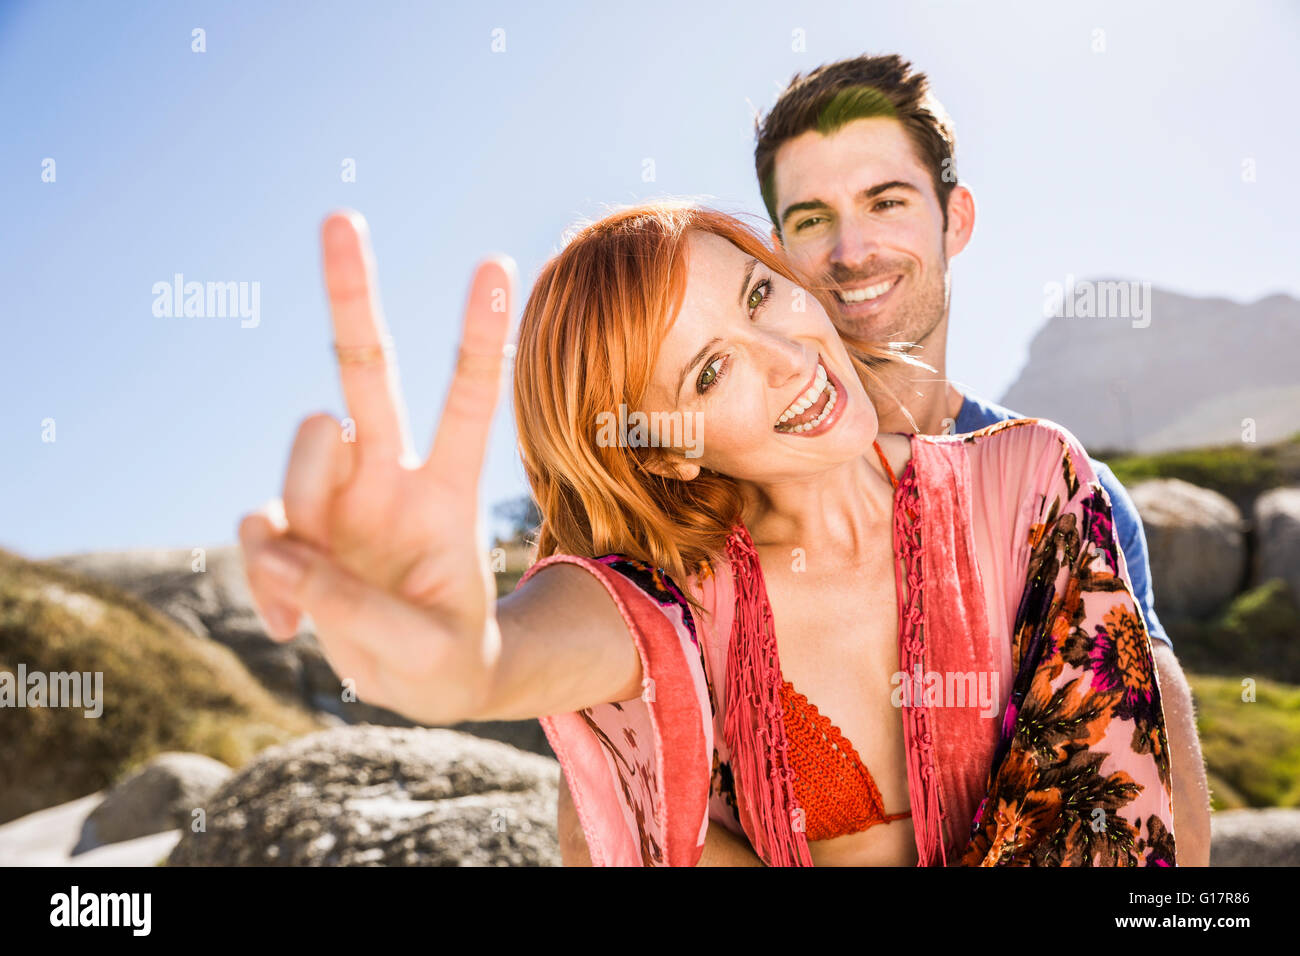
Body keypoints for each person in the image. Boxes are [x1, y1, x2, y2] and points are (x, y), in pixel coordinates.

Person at [239, 201, 1174, 866]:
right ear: (670, 452)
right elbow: (543, 640)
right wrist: (468, 664)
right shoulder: (675, 594)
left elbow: (1123, 776)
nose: (783, 360)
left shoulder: (1027, 478)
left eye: (762, 296)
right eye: (708, 371)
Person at [560, 52, 1210, 866]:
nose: (851, 248)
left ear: (956, 219)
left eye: (886, 200)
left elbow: (1158, 803)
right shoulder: (704, 499)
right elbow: (612, 806)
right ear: (777, 253)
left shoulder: (1057, 490)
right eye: (810, 218)